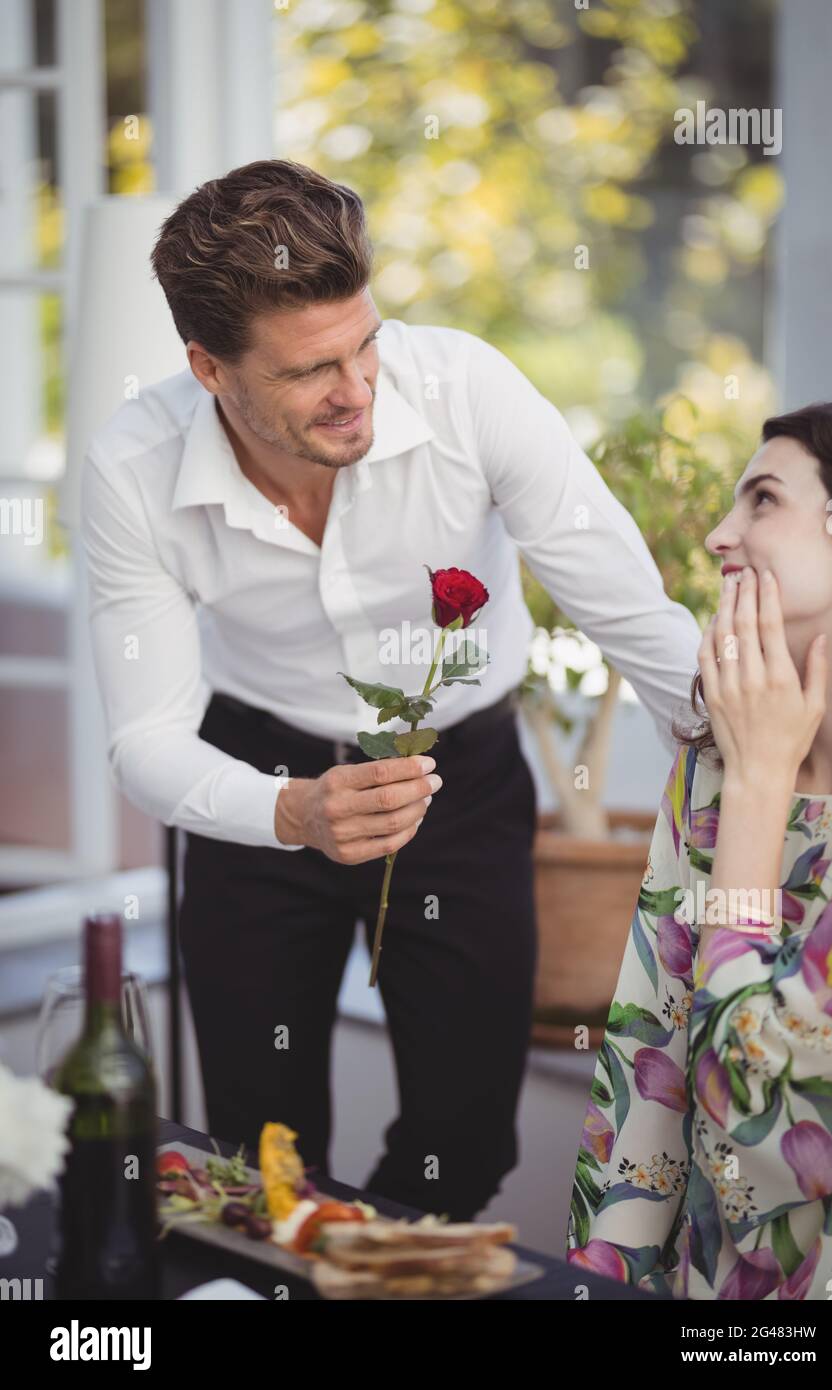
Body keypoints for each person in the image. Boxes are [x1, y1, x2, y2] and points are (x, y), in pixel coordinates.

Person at [81, 158, 701, 1221]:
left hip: (458, 776)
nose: (358, 386)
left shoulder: (469, 391)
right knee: (256, 1143)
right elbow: (144, 736)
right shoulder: (131, 471)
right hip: (255, 776)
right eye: (311, 368)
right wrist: (289, 810)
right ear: (209, 369)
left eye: (366, 341)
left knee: (463, 1136)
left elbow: (631, 615)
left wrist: (787, 772)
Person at [567, 401, 832, 1299]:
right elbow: (643, 1069)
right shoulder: (711, 765)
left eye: (763, 500)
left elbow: (765, 1134)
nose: (717, 534)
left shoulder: (743, 772)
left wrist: (761, 789)